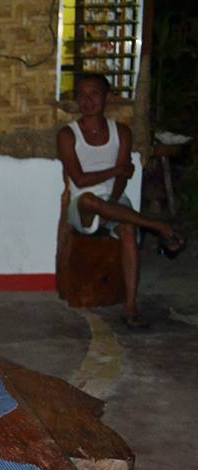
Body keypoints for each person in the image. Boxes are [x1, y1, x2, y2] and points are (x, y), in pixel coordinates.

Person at [56, 73, 186, 329]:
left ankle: (130, 307)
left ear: (107, 97)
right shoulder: (67, 134)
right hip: (82, 205)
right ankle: (158, 226)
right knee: (92, 200)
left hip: (115, 199)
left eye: (94, 94)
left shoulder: (121, 132)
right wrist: (115, 171)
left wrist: (113, 205)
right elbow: (80, 180)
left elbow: (123, 178)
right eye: (81, 95)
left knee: (127, 228)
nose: (87, 100)